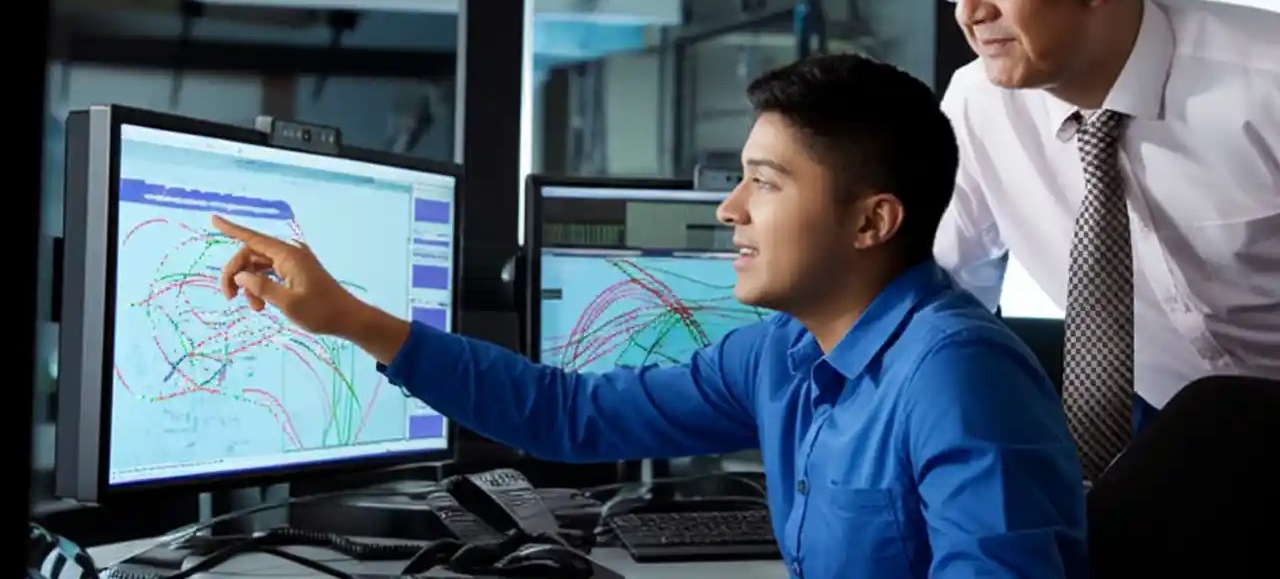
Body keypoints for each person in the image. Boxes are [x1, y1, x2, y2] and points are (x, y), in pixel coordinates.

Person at [211, 53, 1088, 578]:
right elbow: (570, 415)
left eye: (766, 183)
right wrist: (351, 319)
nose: (729, 209)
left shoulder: (959, 374)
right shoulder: (781, 354)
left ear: (873, 221)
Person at [933, 0, 1280, 483]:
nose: (970, 11)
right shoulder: (977, 103)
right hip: (1157, 419)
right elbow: (948, 298)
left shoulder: (1267, 84)